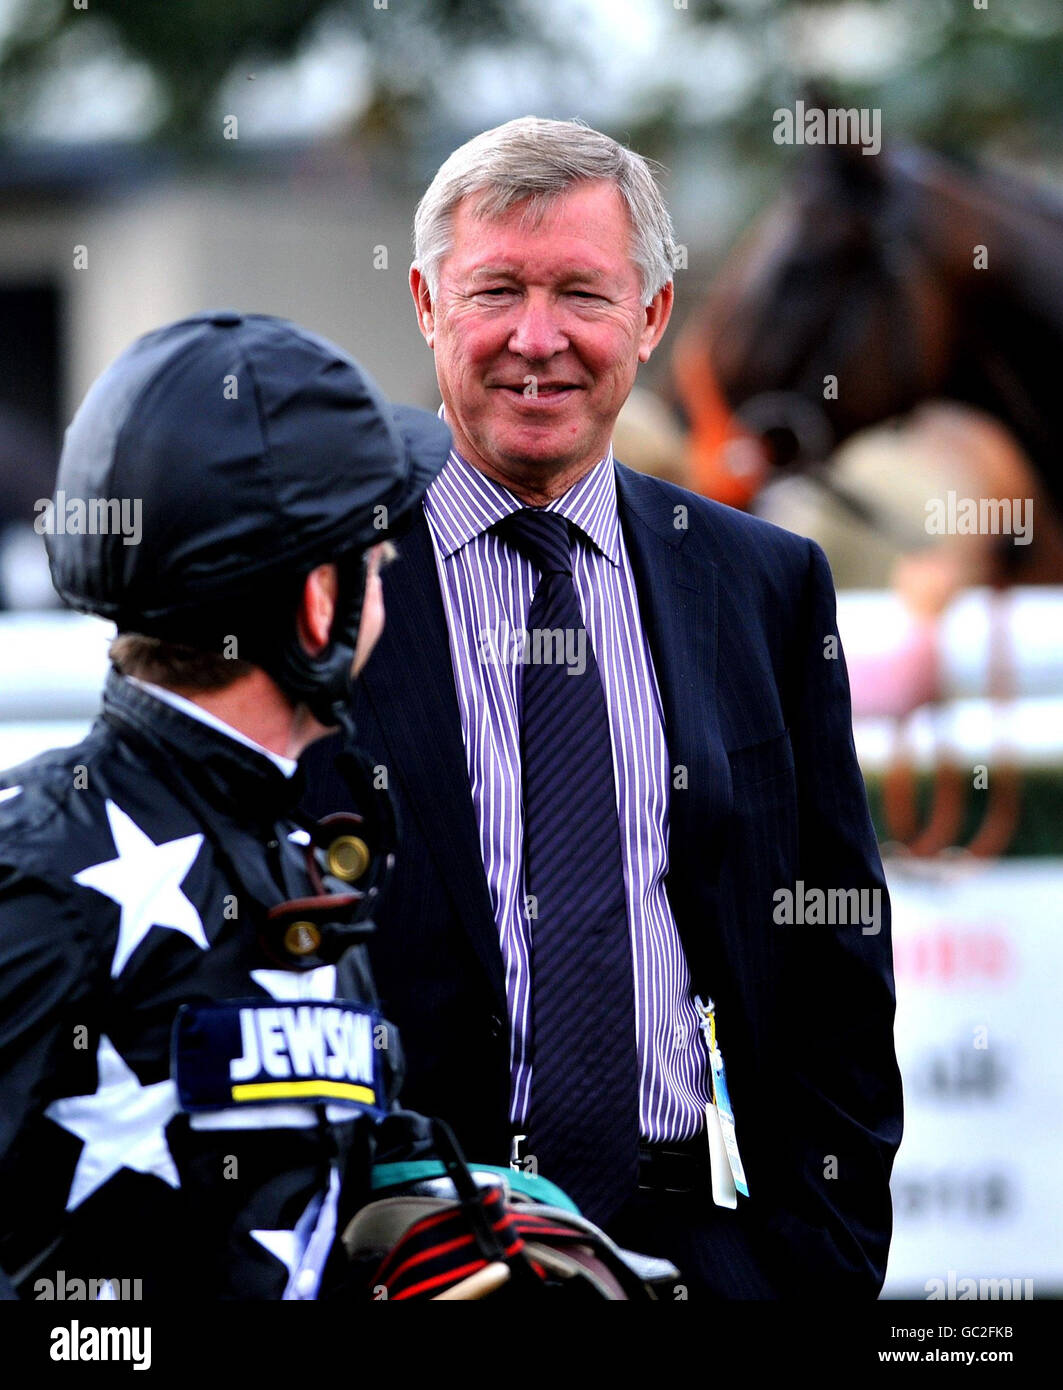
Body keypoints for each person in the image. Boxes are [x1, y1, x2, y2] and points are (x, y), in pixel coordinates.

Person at [301, 116, 904, 1299]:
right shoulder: (324, 579)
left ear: (652, 315)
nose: (538, 339)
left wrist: (809, 1264)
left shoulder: (761, 587)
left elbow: (830, 966)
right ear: (426, 304)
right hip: (389, 1262)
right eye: (496, 292)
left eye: (582, 291)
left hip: (689, 1263)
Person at [0, 310, 451, 1300]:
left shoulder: (292, 848)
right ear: (315, 605)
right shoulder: (37, 867)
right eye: (375, 566)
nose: (389, 587)